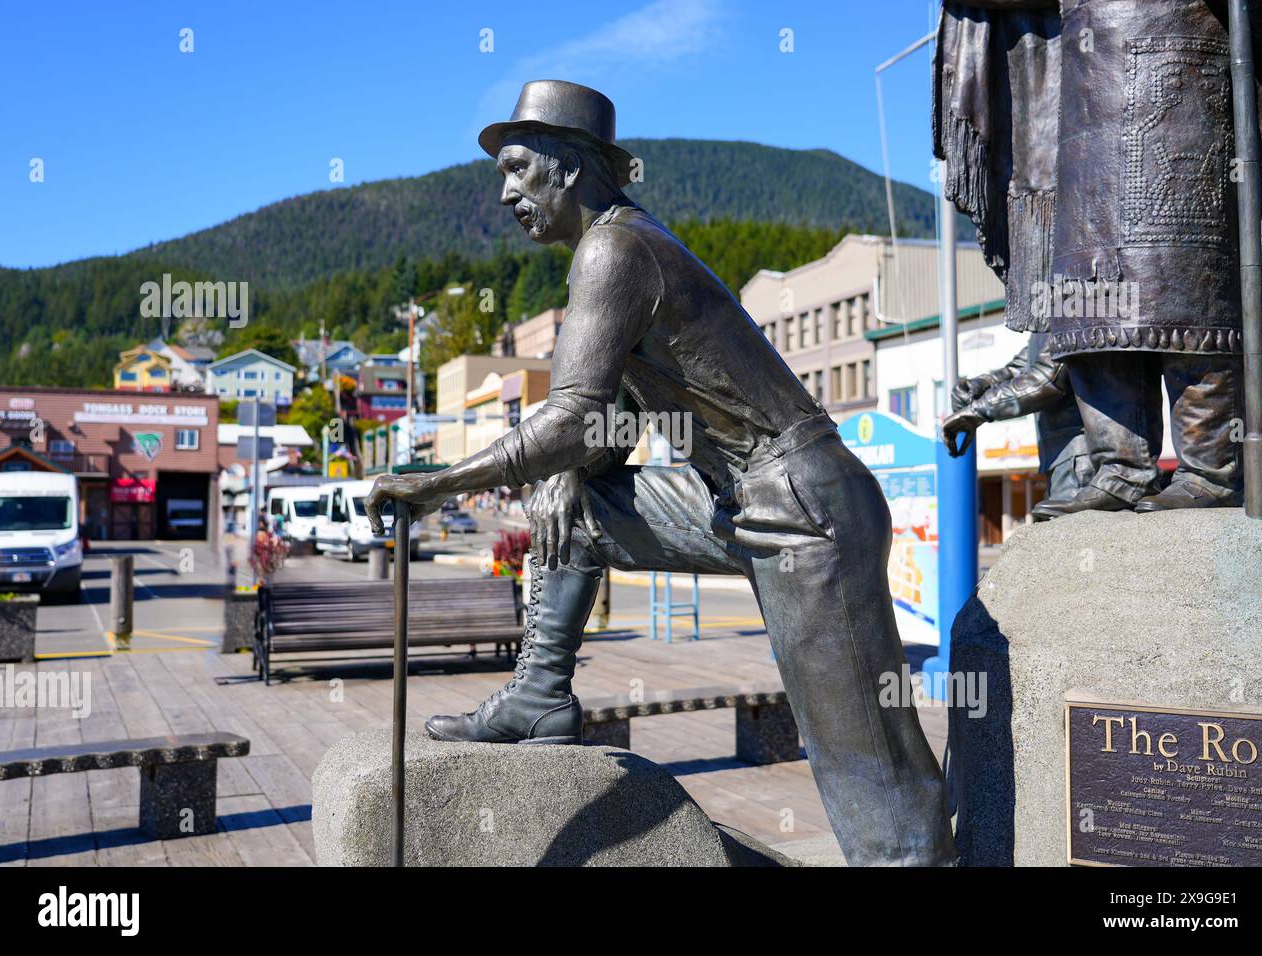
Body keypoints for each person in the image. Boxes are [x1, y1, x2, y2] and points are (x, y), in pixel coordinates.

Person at [366, 80, 955, 866]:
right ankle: (542, 693)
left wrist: (434, 484)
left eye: (516, 168)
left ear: (570, 168)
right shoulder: (620, 244)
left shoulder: (616, 249)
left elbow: (572, 416)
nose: (505, 192)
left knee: (879, 795)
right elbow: (613, 424)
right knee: (573, 503)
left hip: (805, 510)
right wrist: (570, 476)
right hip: (742, 499)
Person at [934, 0, 1262, 518]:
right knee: (1091, 311)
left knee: (1190, 294)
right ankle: (1117, 467)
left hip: (1182, 56)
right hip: (1086, 108)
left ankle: (1211, 472)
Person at [943, 334, 1092, 504]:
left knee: (1075, 527)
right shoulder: (1045, 318)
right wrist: (981, 384)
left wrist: (978, 410)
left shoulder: (1065, 309)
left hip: (1079, 458)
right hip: (1064, 457)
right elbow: (1019, 368)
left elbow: (1047, 379)